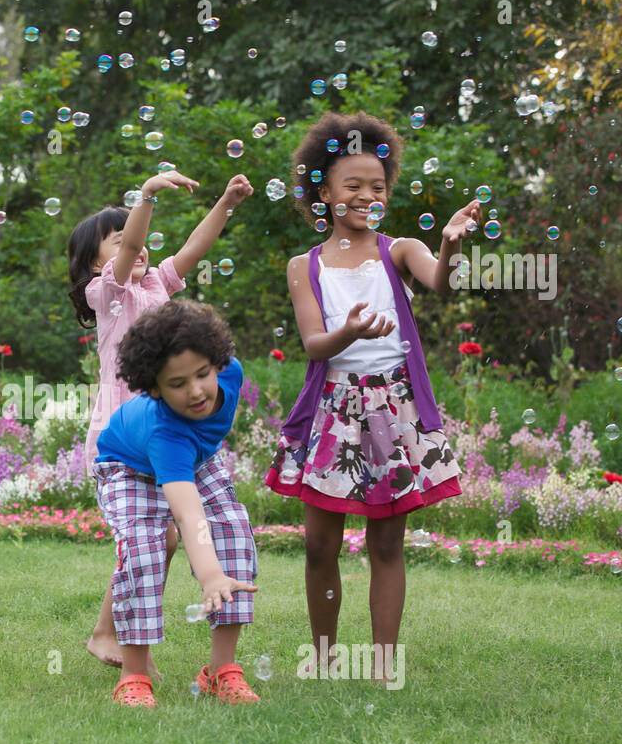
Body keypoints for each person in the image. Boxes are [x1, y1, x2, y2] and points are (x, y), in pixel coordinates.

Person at [267, 111, 472, 682]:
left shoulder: (400, 250)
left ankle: (384, 663)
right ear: (324, 192)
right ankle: (326, 657)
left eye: (377, 186)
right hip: (333, 411)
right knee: (318, 545)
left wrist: (451, 246)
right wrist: (350, 332)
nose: (365, 195)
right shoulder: (303, 266)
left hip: (394, 411)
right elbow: (313, 345)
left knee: (386, 543)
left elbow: (443, 282)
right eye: (351, 185)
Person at [67, 169, 253, 672]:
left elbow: (194, 247)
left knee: (161, 538)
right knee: (150, 538)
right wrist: (145, 196)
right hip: (124, 438)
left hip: (170, 427)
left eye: (138, 235)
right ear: (92, 261)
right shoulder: (106, 292)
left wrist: (226, 202)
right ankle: (116, 640)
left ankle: (107, 633)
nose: (137, 245)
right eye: (121, 237)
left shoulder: (156, 284)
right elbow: (128, 256)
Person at [92, 298, 260, 708]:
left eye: (202, 375)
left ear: (217, 363)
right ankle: (133, 676)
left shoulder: (231, 374)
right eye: (177, 384)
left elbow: (212, 427)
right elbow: (188, 514)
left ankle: (222, 671)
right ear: (154, 388)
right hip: (130, 466)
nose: (197, 391)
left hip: (194, 459)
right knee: (145, 549)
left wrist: (223, 569)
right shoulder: (164, 430)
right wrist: (210, 576)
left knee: (234, 534)